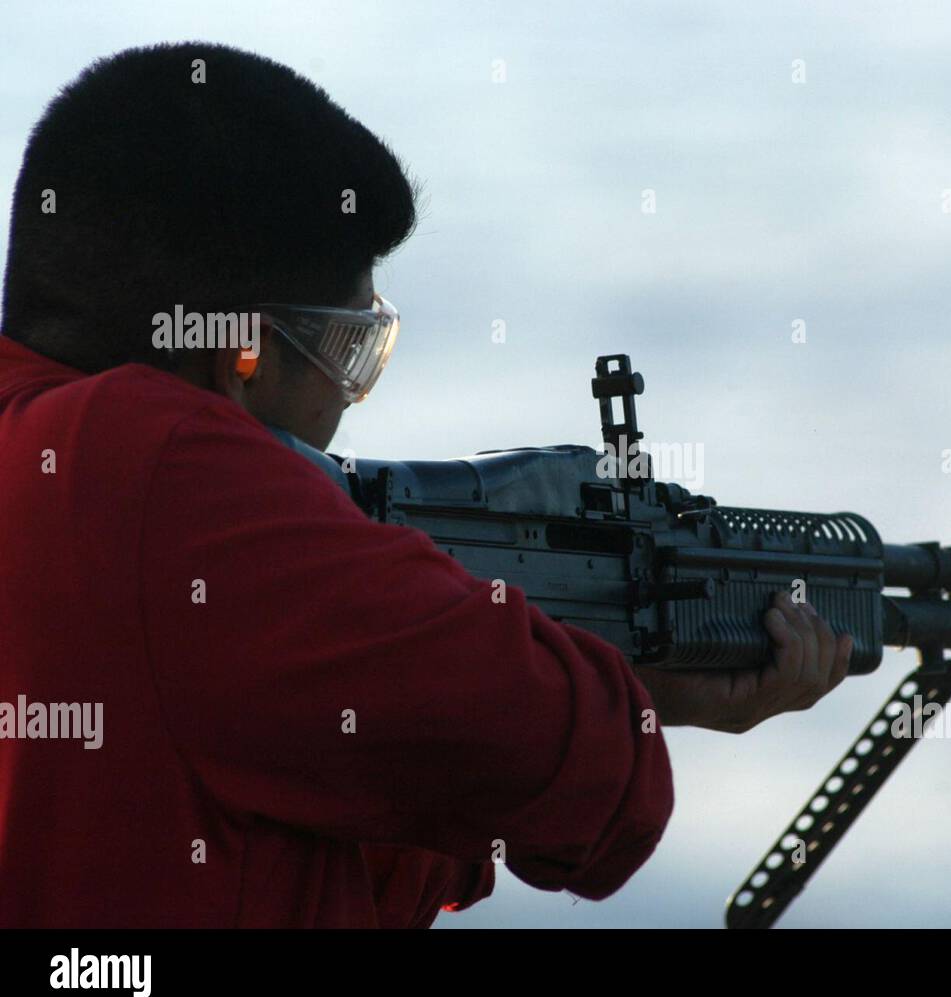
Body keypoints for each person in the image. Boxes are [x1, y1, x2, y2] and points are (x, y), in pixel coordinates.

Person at [0, 42, 852, 927]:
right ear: (242, 357)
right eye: (349, 349)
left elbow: (328, 825)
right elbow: (584, 783)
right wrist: (638, 702)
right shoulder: (160, 463)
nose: (351, 396)